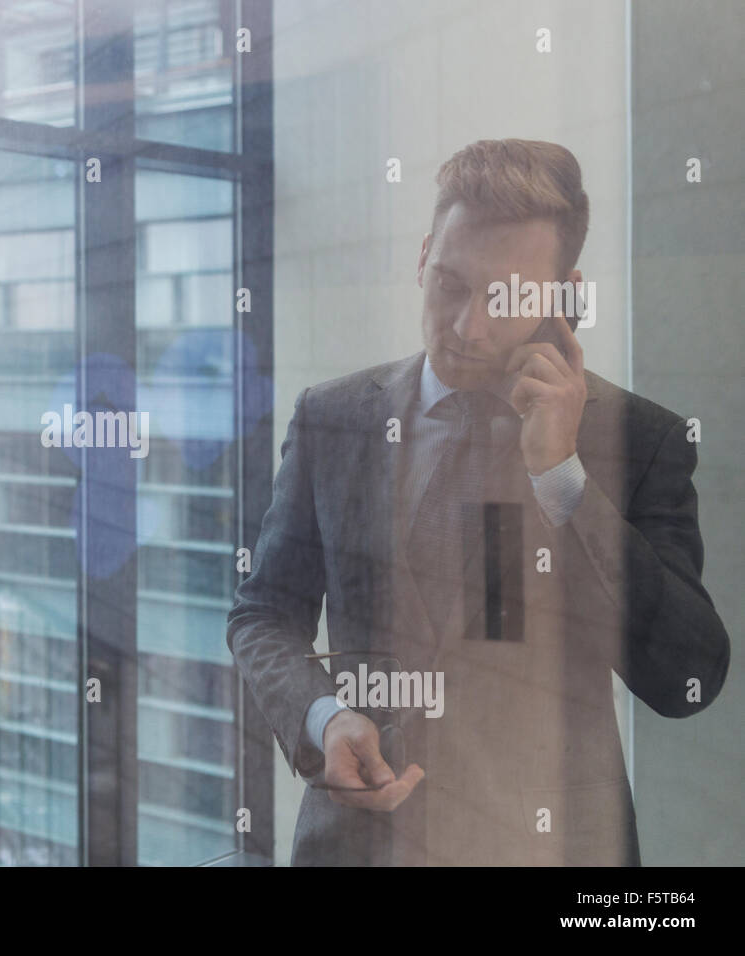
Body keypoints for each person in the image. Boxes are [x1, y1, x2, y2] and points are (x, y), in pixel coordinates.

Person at [228, 139, 730, 865]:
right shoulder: (332, 417)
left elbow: (686, 679)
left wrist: (562, 475)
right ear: (424, 255)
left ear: (563, 299)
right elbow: (264, 611)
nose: (469, 328)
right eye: (451, 284)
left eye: (506, 298)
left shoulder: (638, 440)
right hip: (359, 846)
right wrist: (324, 717)